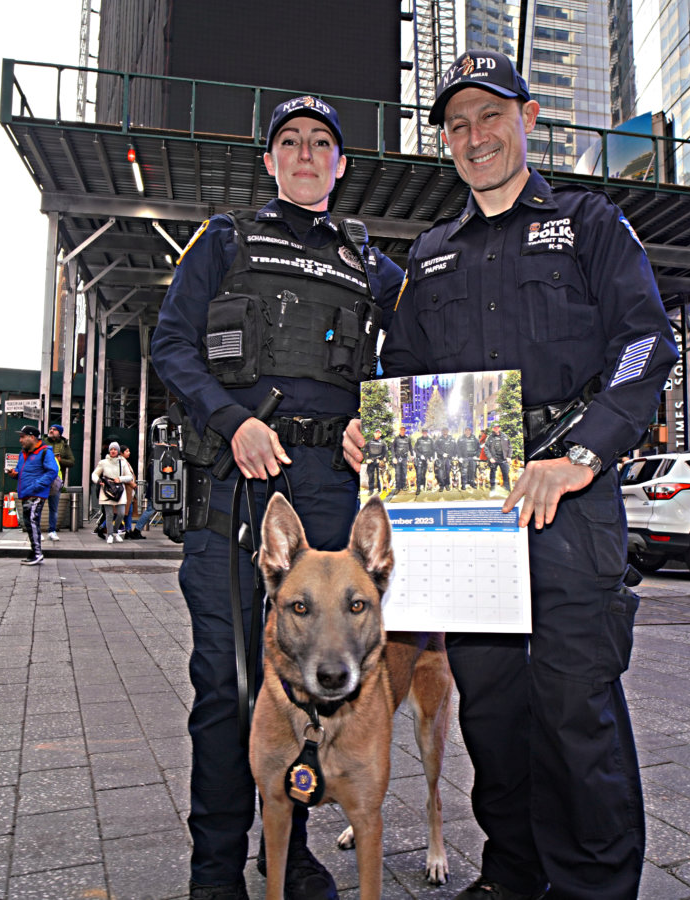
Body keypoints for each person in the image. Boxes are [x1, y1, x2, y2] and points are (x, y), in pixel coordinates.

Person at [343, 50, 678, 900]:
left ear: (527, 119)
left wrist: (580, 456)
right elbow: (403, 374)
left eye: (490, 116)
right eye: (457, 125)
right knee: (490, 711)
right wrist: (374, 428)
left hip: (567, 494)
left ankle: (593, 887)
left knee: (574, 707)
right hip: (468, 505)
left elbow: (644, 344)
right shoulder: (431, 253)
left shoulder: (590, 223)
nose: (474, 136)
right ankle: (514, 874)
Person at [150, 95, 402, 900]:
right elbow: (170, 346)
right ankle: (214, 872)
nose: (304, 154)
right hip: (237, 486)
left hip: (330, 489)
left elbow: (421, 356)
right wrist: (230, 422)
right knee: (228, 688)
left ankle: (285, 857)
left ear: (340, 164)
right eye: (289, 142)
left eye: (320, 143)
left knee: (318, 694)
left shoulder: (371, 265)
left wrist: (378, 425)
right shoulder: (224, 242)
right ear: (269, 160)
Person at [5, 425, 60, 566]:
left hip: (36, 494)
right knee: (29, 523)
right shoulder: (23, 453)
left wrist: (36, 486)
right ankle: (35, 551)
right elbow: (20, 470)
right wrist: (14, 474)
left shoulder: (45, 452)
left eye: (22, 437)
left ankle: (37, 553)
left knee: (32, 520)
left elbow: (52, 471)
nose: (20, 440)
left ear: (32, 437)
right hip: (26, 493)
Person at [91, 441, 132, 544]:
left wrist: (120, 479)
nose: (113, 451)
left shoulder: (122, 462)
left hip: (119, 490)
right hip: (107, 489)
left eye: (115, 449)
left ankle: (115, 531)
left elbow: (129, 476)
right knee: (109, 514)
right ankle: (110, 534)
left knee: (121, 513)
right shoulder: (103, 462)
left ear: (118, 451)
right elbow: (94, 474)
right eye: (111, 449)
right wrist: (98, 481)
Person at [45, 423, 75, 540]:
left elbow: (72, 462)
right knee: (38, 506)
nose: (51, 430)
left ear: (60, 433)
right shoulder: (43, 442)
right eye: (50, 429)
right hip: (43, 479)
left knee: (54, 507)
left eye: (55, 429)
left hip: (56, 481)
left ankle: (52, 530)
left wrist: (60, 460)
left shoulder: (64, 446)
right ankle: (36, 530)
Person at [485, 422, 512, 492]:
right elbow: (486, 448)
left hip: (504, 458)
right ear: (493, 429)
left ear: (499, 428)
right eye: (495, 428)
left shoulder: (505, 436)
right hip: (494, 458)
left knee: (505, 473)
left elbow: (510, 447)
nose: (496, 429)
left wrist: (509, 457)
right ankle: (492, 486)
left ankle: (507, 487)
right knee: (492, 473)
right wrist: (490, 457)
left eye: (497, 427)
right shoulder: (489, 437)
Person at [119, 445, 138, 533]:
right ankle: (102, 527)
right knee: (122, 512)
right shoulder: (122, 462)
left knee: (128, 511)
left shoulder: (125, 462)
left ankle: (128, 529)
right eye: (126, 451)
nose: (129, 453)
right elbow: (124, 476)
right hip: (126, 490)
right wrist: (132, 483)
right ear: (121, 453)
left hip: (129, 490)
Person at [391, 424, 413, 494]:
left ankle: (403, 485)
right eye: (401, 430)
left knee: (404, 472)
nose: (402, 431)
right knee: (398, 473)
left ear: (405, 431)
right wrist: (393, 457)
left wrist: (412, 455)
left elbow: (410, 447)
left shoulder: (408, 438)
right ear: (399, 430)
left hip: (404, 458)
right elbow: (392, 448)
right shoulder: (396, 438)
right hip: (397, 458)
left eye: (403, 430)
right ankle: (397, 487)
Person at [365, 428, 387, 493]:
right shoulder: (369, 442)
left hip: (379, 461)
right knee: (371, 476)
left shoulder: (383, 443)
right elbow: (364, 452)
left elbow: (385, 452)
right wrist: (366, 459)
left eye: (379, 433)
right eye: (376, 432)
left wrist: (385, 459)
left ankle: (380, 489)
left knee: (379, 476)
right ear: (374, 433)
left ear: (380, 434)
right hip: (371, 461)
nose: (377, 434)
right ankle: (371, 490)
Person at [413, 426, 434, 495]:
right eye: (423, 432)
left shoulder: (430, 440)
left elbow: (433, 449)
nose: (425, 433)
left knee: (425, 473)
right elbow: (415, 449)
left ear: (427, 432)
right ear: (422, 433)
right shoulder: (419, 440)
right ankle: (418, 488)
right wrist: (420, 455)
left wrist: (431, 457)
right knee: (419, 473)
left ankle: (425, 485)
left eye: (426, 432)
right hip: (420, 459)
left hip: (427, 459)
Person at [434, 426, 456, 490]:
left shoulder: (452, 439)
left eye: (446, 430)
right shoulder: (438, 439)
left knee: (447, 472)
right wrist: (442, 453)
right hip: (441, 458)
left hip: (449, 458)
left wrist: (454, 455)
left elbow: (455, 447)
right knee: (440, 472)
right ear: (442, 431)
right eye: (443, 430)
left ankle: (447, 484)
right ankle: (441, 485)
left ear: (448, 431)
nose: (445, 431)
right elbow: (435, 448)